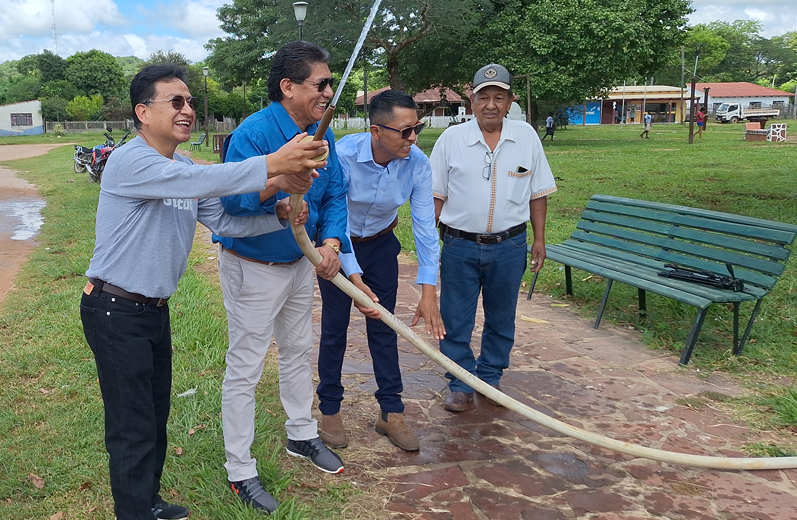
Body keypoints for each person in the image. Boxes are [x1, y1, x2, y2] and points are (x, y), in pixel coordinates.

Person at [80, 64, 325, 520]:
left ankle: (148, 501)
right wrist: (274, 166)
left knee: (153, 415)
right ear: (142, 111)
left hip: (152, 309)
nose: (187, 109)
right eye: (176, 102)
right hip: (114, 309)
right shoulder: (131, 161)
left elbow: (226, 221)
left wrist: (277, 215)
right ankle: (133, 512)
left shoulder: (184, 166)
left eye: (190, 102)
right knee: (131, 423)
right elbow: (203, 183)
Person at [213, 41, 349, 514]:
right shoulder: (253, 133)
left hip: (300, 265)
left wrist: (330, 244)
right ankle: (239, 469)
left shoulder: (321, 134)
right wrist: (277, 189)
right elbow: (229, 201)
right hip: (253, 268)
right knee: (246, 365)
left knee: (296, 352)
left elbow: (334, 197)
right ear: (288, 87)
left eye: (330, 83)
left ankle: (302, 435)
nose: (328, 92)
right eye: (320, 84)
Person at [315, 89, 445, 453]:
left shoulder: (417, 162)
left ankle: (391, 411)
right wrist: (352, 276)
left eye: (416, 128)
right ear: (376, 132)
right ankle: (330, 409)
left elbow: (424, 227)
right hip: (338, 247)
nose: (413, 138)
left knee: (384, 328)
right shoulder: (343, 155)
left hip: (382, 247)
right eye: (404, 131)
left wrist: (428, 289)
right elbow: (334, 215)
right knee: (334, 329)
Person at [429, 63, 557, 413]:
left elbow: (538, 193)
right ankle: (459, 382)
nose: (490, 105)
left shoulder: (526, 136)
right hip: (459, 245)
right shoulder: (451, 139)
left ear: (510, 101)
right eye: (483, 97)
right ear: (471, 100)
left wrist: (540, 239)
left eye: (498, 97)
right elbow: (435, 195)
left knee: (502, 316)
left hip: (510, 246)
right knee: (456, 317)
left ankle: (489, 378)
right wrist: (427, 239)